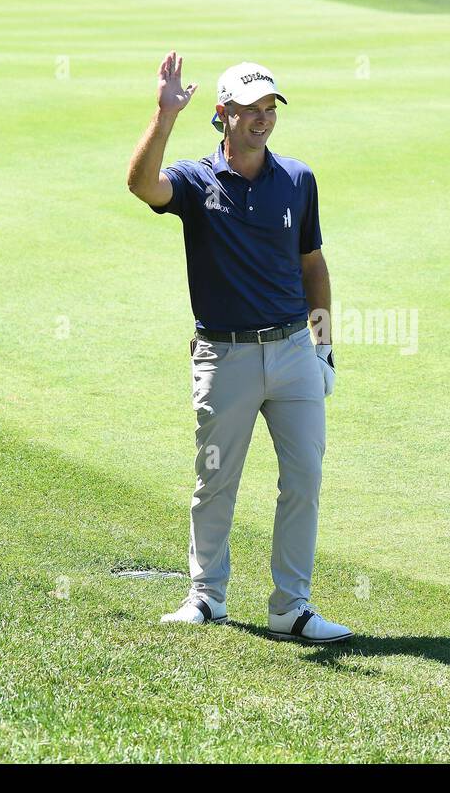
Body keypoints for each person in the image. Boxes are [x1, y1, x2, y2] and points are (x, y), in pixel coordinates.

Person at [126, 52, 352, 645]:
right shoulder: (198, 182)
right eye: (249, 109)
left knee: (303, 477)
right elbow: (140, 185)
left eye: (269, 107)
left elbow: (313, 265)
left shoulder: (298, 180)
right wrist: (164, 115)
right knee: (215, 479)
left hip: (293, 352)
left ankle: (292, 608)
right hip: (223, 356)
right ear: (222, 114)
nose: (262, 118)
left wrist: (324, 347)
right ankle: (206, 597)